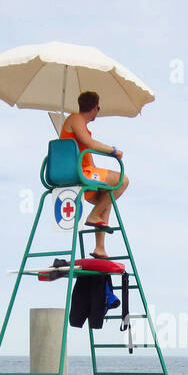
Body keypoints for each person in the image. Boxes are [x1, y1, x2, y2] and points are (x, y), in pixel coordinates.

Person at [60, 91, 129, 259]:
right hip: (77, 173)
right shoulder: (75, 119)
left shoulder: (82, 127)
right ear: (95, 107)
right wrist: (113, 151)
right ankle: (94, 215)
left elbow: (90, 160)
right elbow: (89, 143)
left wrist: (102, 180)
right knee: (123, 180)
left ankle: (100, 247)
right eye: (98, 108)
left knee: (107, 194)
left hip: (84, 171)